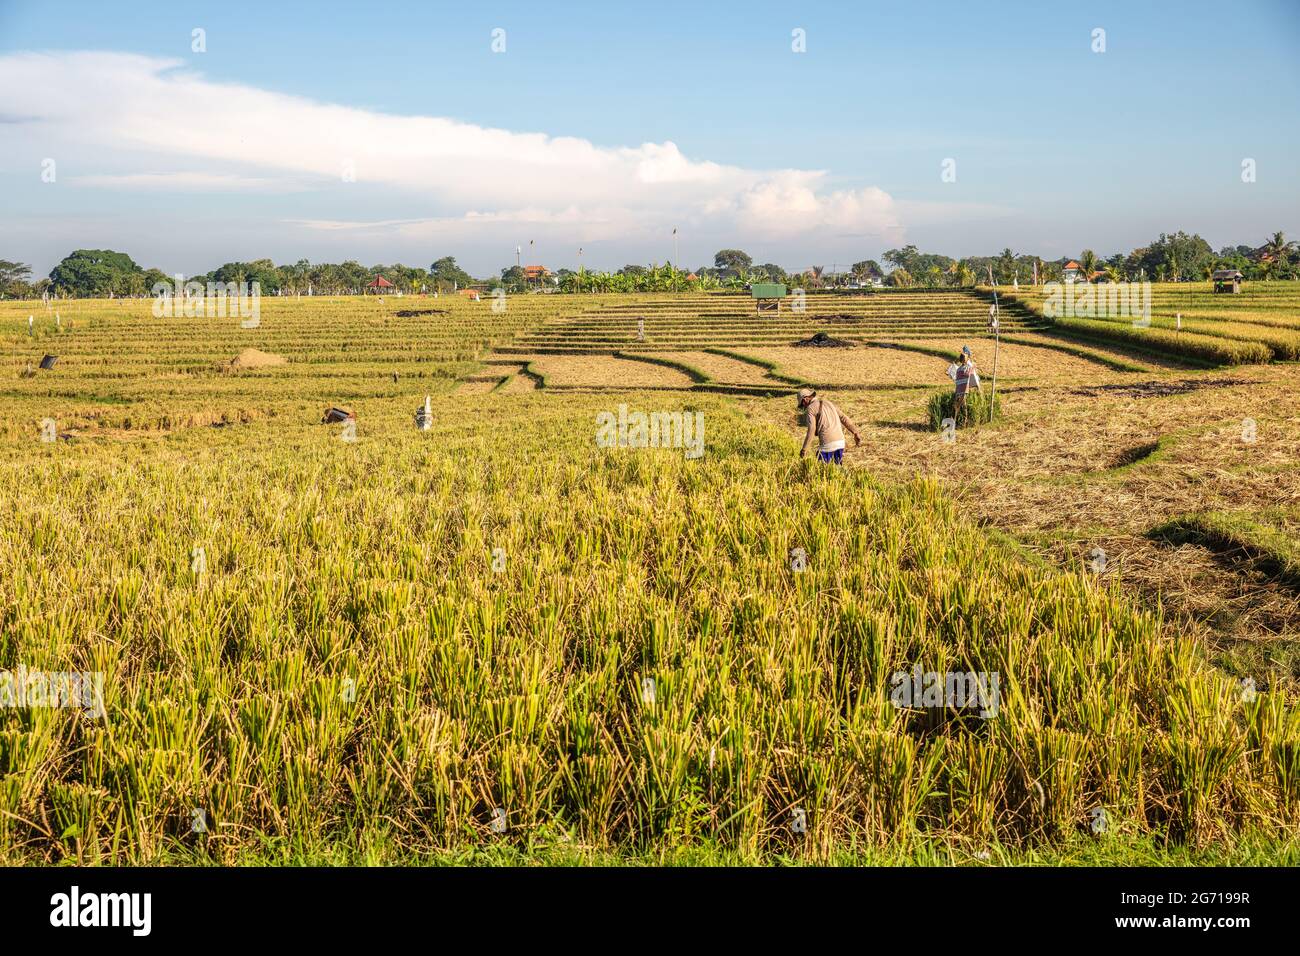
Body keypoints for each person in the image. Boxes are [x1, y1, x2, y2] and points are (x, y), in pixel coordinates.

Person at [797, 388, 861, 464]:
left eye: (802, 405)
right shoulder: (829, 403)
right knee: (836, 469)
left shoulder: (811, 409)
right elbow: (844, 418)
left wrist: (804, 449)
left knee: (821, 470)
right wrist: (855, 432)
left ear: (805, 400)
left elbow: (812, 429)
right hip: (840, 442)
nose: (803, 407)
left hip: (827, 444)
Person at [952, 346, 982, 424]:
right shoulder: (968, 368)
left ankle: (956, 422)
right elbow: (972, 378)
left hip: (958, 391)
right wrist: (978, 388)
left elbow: (958, 382)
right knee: (963, 408)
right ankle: (963, 422)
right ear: (966, 359)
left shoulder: (958, 370)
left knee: (959, 408)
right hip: (963, 391)